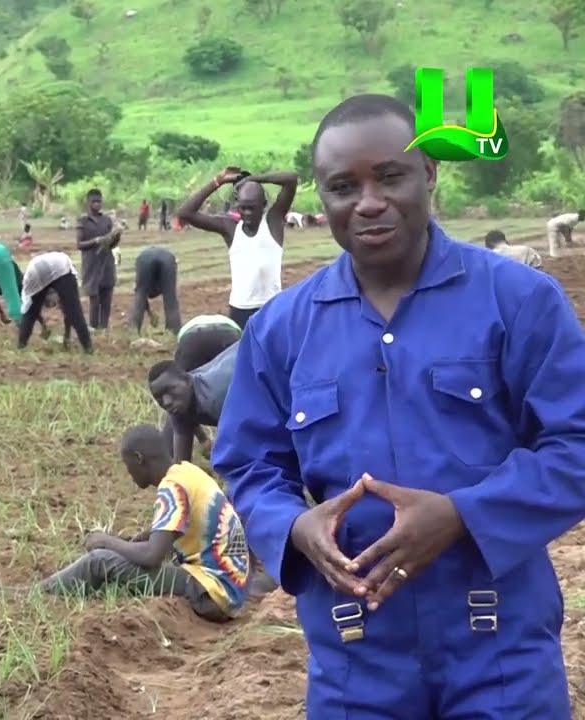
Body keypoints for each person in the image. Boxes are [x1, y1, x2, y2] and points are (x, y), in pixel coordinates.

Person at [213, 94, 585, 719]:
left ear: (429, 174)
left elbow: (575, 444)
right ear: (323, 201)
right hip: (355, 657)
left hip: (499, 648)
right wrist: (295, 527)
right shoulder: (282, 329)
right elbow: (249, 464)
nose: (369, 201)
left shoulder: (518, 302)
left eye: (390, 176)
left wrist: (462, 514)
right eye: (342, 186)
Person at [0, 424, 249, 623]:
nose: (129, 474)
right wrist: (129, 540)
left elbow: (153, 556)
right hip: (229, 588)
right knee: (123, 552)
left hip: (211, 594)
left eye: (128, 466)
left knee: (101, 560)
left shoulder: (172, 488)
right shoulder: (187, 472)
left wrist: (106, 541)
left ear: (139, 459)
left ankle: (27, 595)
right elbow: (166, 536)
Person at [175, 166, 297, 330]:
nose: (246, 213)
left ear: (264, 205)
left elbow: (291, 178)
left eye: (252, 208)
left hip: (271, 307)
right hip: (239, 310)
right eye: (242, 207)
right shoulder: (230, 228)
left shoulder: (273, 222)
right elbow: (184, 213)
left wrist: (255, 179)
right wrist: (217, 181)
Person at [149, 341, 238, 465]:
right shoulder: (179, 406)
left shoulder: (214, 399)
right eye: (159, 399)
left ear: (188, 381)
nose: (166, 402)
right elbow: (182, 465)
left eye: (170, 390)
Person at [18, 251, 92, 352]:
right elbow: (69, 312)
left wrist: (65, 336)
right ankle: (88, 349)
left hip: (35, 269)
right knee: (75, 312)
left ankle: (21, 347)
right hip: (59, 267)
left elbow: (29, 309)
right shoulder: (68, 270)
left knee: (30, 313)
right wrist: (66, 337)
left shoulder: (29, 280)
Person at [76, 188, 122, 331]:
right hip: (91, 264)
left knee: (107, 298)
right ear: (88, 203)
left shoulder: (106, 220)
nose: (97, 204)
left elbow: (112, 245)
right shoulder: (83, 221)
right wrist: (97, 240)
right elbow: (79, 244)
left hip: (106, 263)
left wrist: (116, 236)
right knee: (94, 299)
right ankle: (94, 327)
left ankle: (104, 328)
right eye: (94, 202)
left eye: (99, 202)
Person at [130, 246, 181, 334]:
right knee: (170, 298)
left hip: (144, 259)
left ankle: (134, 330)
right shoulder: (161, 282)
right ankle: (174, 330)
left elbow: (140, 292)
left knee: (140, 296)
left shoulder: (146, 284)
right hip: (167, 259)